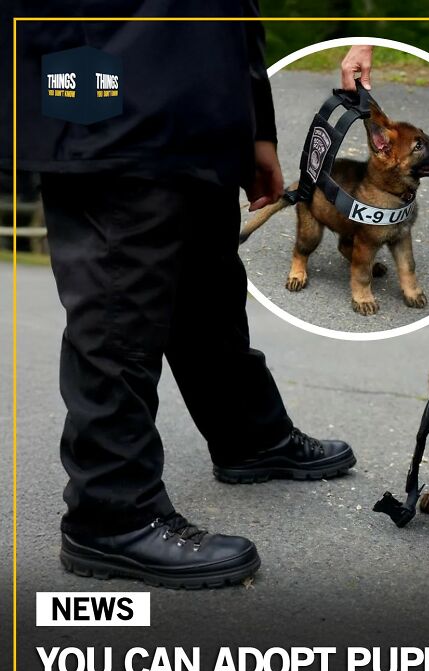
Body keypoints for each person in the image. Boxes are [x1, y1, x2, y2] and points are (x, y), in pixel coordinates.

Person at [8, 4, 357, 590]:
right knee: (119, 305)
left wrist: (255, 126)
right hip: (106, 91)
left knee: (208, 287)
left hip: (200, 107)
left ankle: (249, 437)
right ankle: (111, 516)